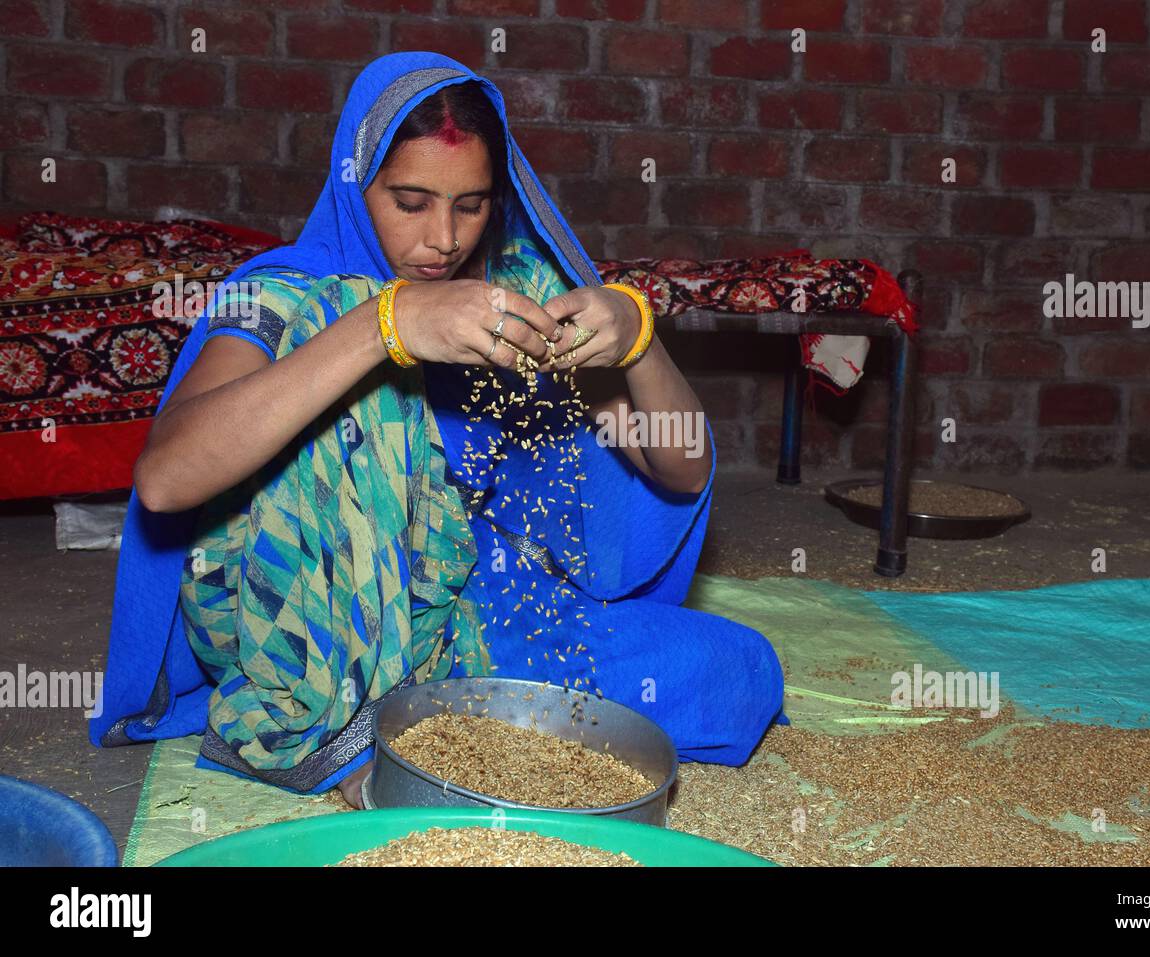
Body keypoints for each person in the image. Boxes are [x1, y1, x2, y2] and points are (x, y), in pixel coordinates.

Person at [90, 52, 785, 808]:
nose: (444, 239)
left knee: (733, 672)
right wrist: (382, 327)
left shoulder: (507, 300)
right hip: (299, 618)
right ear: (359, 182)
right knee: (346, 315)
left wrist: (639, 338)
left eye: (472, 204)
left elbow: (679, 469)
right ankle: (323, 734)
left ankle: (426, 711)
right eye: (411, 202)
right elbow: (166, 478)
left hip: (455, 611)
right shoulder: (282, 296)